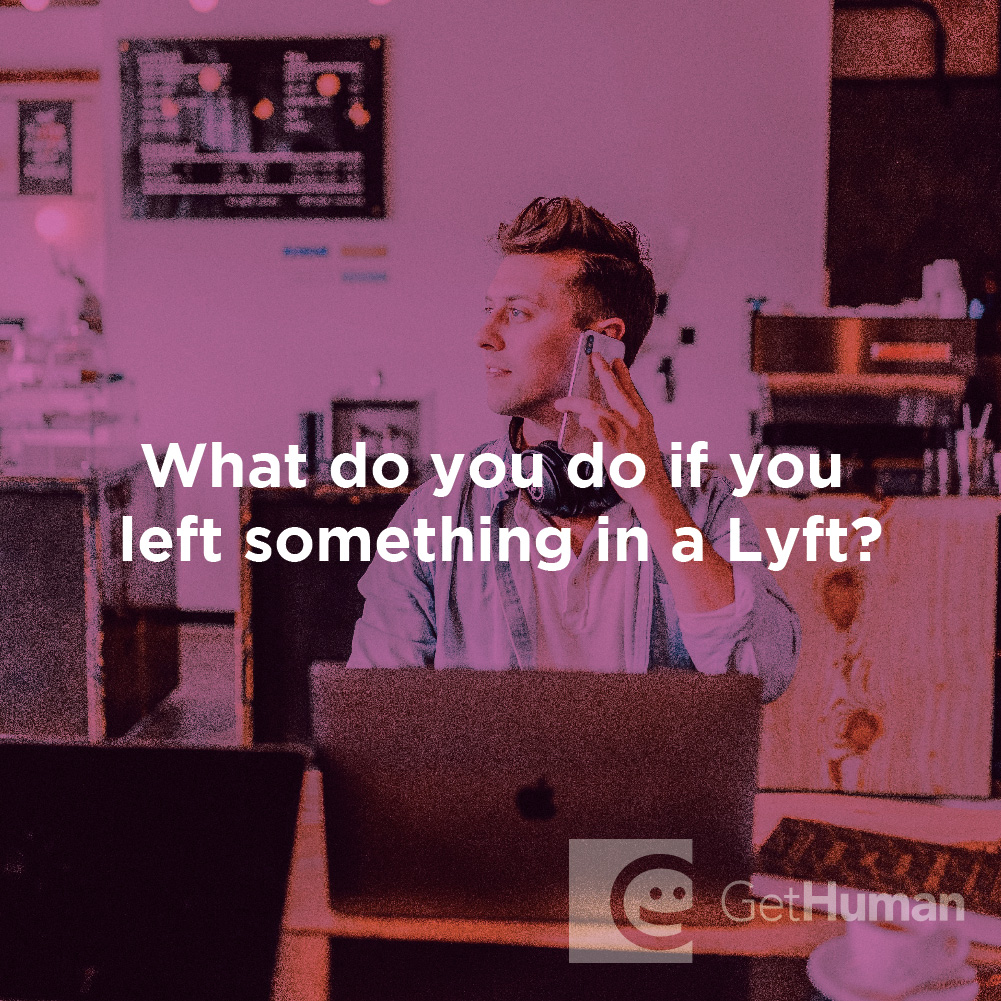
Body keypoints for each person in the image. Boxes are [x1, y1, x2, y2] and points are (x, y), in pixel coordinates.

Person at [347, 197, 799, 701]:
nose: (484, 336)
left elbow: (762, 673)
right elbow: (375, 709)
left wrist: (653, 495)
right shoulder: (437, 513)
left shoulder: (703, 504)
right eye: (489, 310)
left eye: (517, 312)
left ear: (601, 342)